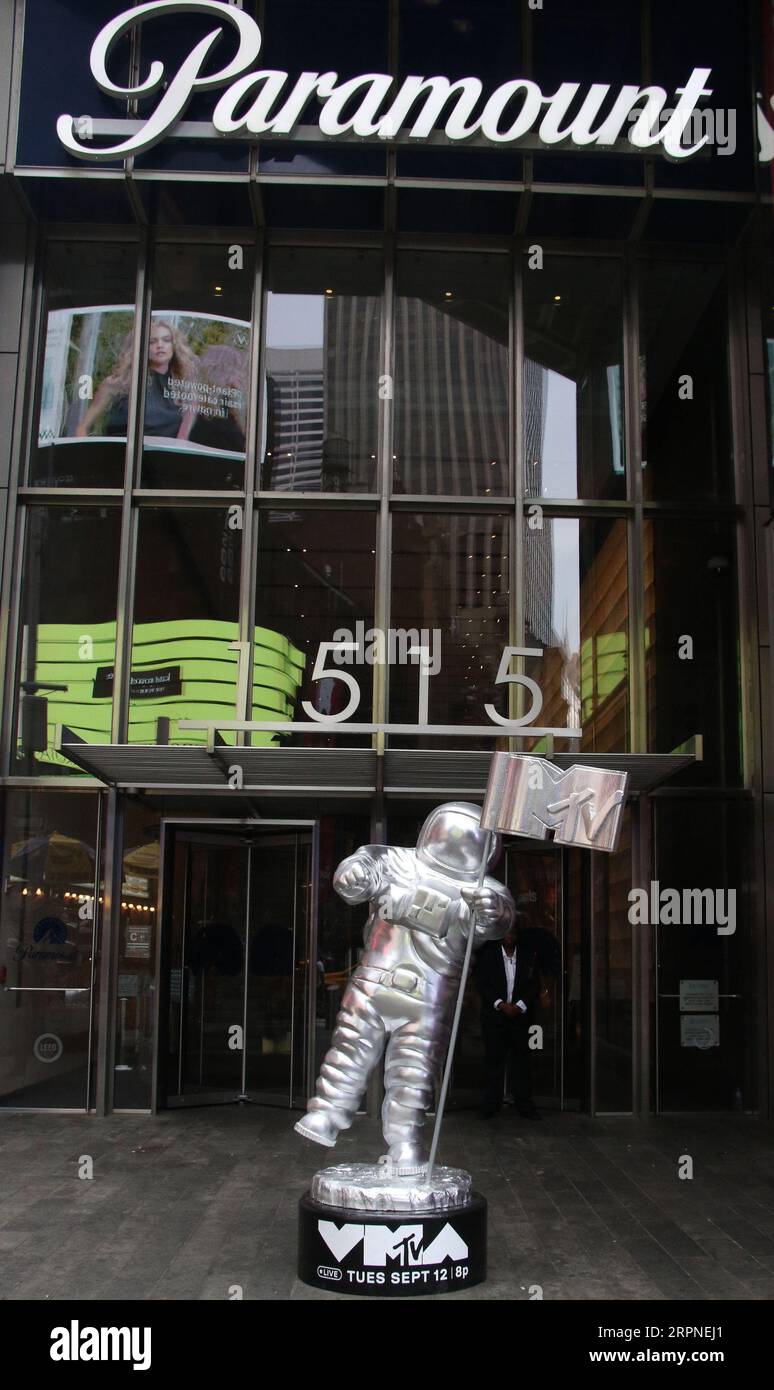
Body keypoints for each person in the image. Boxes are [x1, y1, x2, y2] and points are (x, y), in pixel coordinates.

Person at [295, 802, 515, 1166]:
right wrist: (354, 874)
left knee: (412, 1075)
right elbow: (360, 870)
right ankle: (328, 1113)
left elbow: (498, 920)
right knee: (350, 1052)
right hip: (377, 982)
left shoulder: (483, 891)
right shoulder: (396, 861)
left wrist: (489, 909)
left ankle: (405, 1145)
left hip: (428, 996)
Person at [74, 318, 198, 441]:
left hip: (162, 457)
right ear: (141, 346)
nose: (160, 345)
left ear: (175, 345)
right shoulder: (119, 382)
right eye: (152, 342)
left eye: (166, 340)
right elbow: (82, 428)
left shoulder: (184, 386)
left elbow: (182, 438)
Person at [474, 918, 541, 1120]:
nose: (510, 937)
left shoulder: (528, 957)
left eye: (513, 933)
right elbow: (481, 983)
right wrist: (500, 1004)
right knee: (494, 1062)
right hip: (495, 1018)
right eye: (507, 933)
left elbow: (534, 986)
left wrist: (519, 1006)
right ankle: (490, 1105)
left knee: (521, 1063)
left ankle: (524, 1105)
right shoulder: (489, 955)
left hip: (519, 1018)